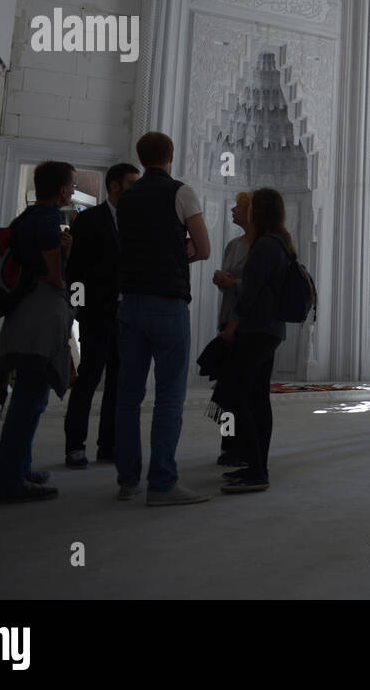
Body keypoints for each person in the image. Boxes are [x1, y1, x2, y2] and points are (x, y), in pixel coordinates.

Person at [114, 131, 211, 506]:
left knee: (128, 396)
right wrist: (177, 252)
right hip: (167, 303)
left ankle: (127, 479)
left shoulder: (126, 197)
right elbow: (202, 248)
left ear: (141, 158)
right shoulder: (181, 192)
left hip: (131, 303)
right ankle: (162, 483)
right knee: (169, 397)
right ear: (171, 154)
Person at [0, 161, 77, 504]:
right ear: (59, 189)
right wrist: (67, 254)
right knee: (29, 400)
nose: (71, 191)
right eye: (70, 185)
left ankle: (20, 469)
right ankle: (9, 482)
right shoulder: (50, 220)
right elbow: (55, 275)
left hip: (23, 313)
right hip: (41, 316)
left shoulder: (25, 218)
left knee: (29, 396)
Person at [217, 188, 300, 493]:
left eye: (251, 206)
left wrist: (231, 328)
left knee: (240, 398)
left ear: (259, 211)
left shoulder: (264, 245)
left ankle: (254, 468)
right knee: (257, 400)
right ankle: (256, 466)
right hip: (270, 331)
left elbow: (250, 293)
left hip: (254, 331)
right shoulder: (281, 242)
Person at [64, 162, 139, 468]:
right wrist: (78, 309)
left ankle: (108, 445)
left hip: (127, 317)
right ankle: (75, 446)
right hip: (96, 314)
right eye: (132, 183)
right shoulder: (90, 220)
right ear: (115, 185)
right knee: (88, 380)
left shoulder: (136, 222)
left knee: (118, 384)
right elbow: (76, 270)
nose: (136, 188)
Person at [211, 192, 255, 466]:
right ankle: (227, 445)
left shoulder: (262, 247)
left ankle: (243, 446)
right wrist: (221, 279)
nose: (232, 209)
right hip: (227, 320)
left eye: (238, 207)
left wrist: (232, 284)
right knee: (225, 391)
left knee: (242, 391)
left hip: (248, 326)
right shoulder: (232, 245)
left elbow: (257, 288)